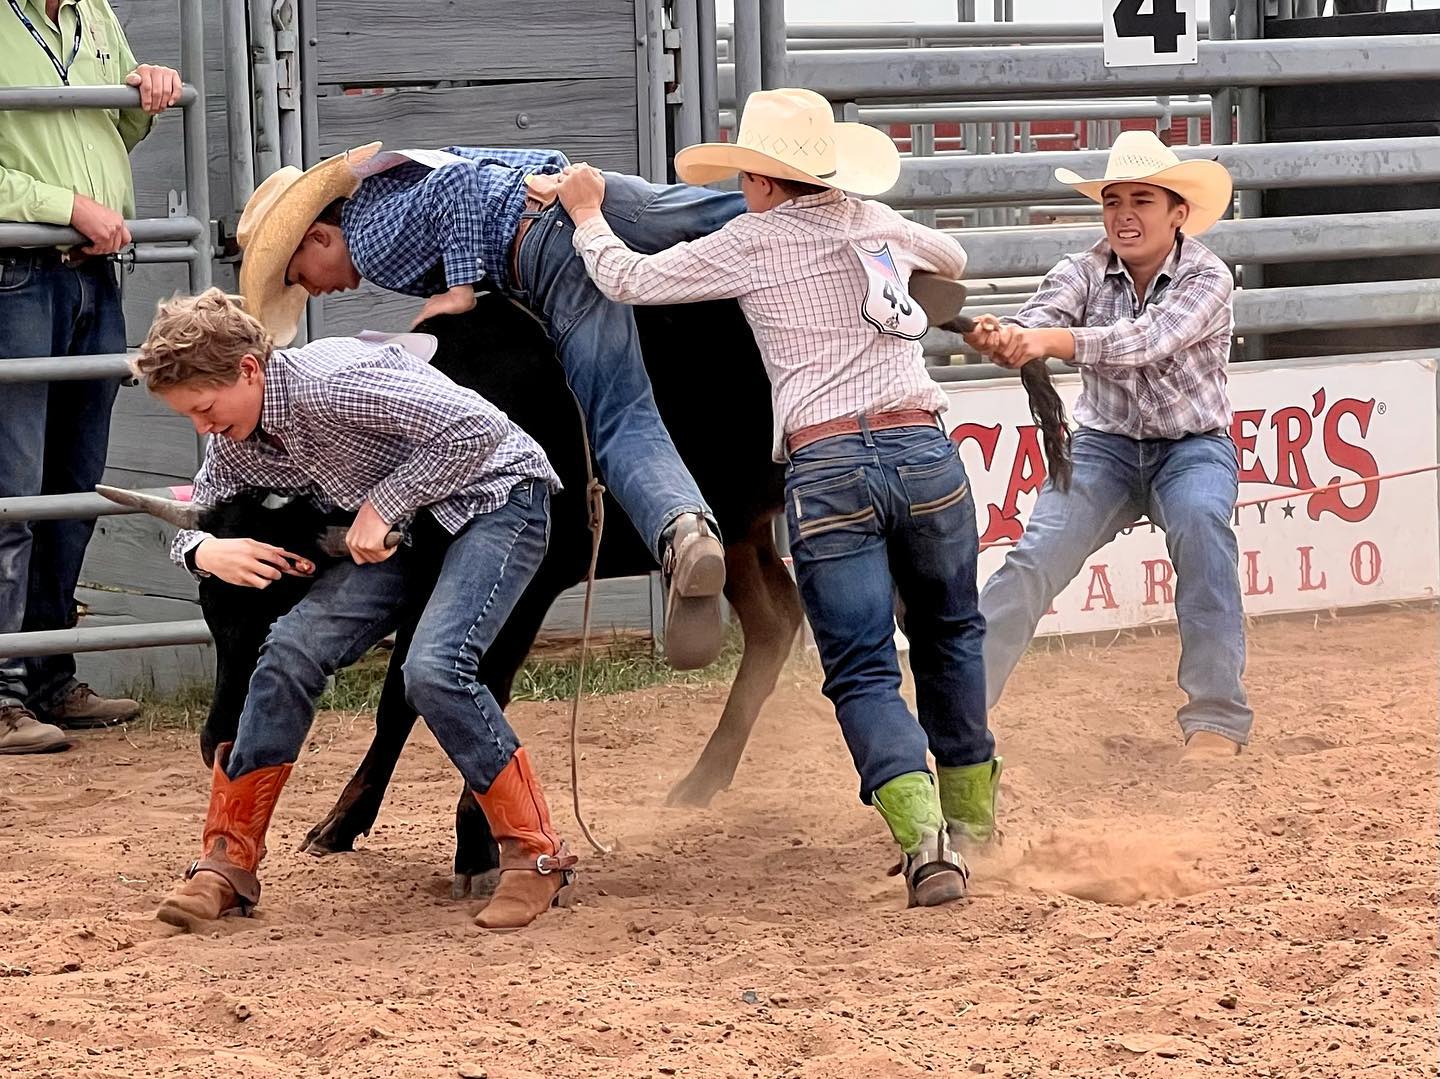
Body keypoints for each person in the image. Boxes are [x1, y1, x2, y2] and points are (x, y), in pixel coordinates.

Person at [553, 87, 1001, 909]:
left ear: (758, 180)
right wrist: (873, 229)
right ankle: (974, 821)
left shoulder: (748, 241)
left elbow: (625, 279)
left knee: (862, 664)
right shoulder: (873, 223)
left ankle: (926, 844)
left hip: (829, 464)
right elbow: (955, 262)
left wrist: (586, 212)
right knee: (949, 633)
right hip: (924, 447)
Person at [136, 288, 576, 932]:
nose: (203, 428)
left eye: (205, 408)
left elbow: (482, 432)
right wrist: (205, 550)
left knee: (433, 669)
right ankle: (227, 862)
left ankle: (535, 856)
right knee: (287, 650)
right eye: (191, 416)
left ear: (250, 370)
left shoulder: (334, 383)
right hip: (410, 530)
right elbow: (202, 511)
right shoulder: (237, 433)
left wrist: (384, 503)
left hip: (497, 502)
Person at [232, 142, 751, 670]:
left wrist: (458, 289)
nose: (312, 291)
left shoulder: (368, 243)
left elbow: (455, 183)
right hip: (578, 195)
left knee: (622, 418)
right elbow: (468, 160)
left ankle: (682, 530)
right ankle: (823, 208)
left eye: (300, 276)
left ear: (319, 236)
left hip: (544, 251)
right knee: (730, 216)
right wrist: (551, 172)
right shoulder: (387, 181)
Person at [963, 130, 1251, 761]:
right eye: (1114, 200)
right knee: (1033, 561)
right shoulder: (1082, 269)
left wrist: (1045, 343)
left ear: (1178, 214)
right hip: (1105, 447)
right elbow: (1044, 316)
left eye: (1142, 200)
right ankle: (958, 716)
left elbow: (1146, 340)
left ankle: (1216, 719)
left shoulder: (1208, 276)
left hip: (1192, 446)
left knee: (1203, 531)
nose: (1124, 214)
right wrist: (1012, 336)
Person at [0, 0, 183, 753]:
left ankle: (44, 676)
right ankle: (2, 692)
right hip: (14, 272)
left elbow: (93, 133)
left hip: (90, 276)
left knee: (72, 491)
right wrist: (64, 204)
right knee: (12, 491)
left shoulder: (94, 13)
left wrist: (146, 96)